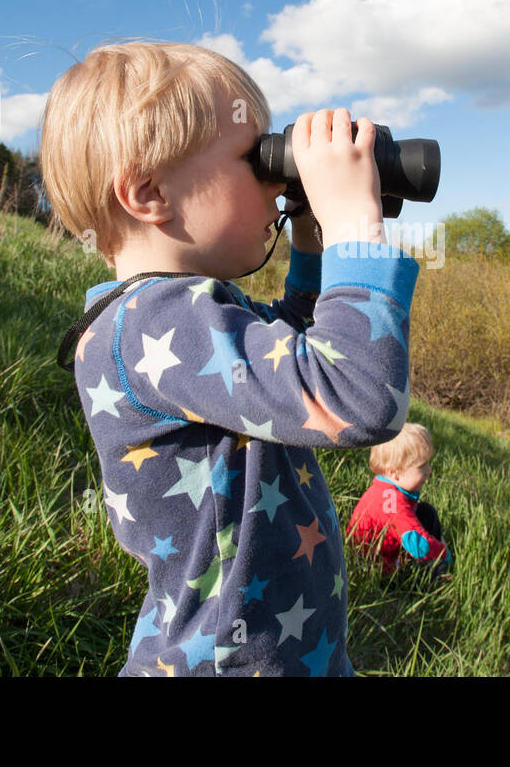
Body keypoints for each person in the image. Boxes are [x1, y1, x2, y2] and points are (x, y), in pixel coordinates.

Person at [41, 42, 418, 676]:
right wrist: (355, 223)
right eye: (257, 159)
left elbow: (297, 352)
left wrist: (310, 235)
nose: (277, 179)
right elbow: (354, 396)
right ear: (150, 191)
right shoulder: (157, 324)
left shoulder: (174, 318)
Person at [347, 422, 450, 575]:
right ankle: (438, 575)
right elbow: (418, 544)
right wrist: (444, 554)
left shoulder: (386, 489)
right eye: (422, 466)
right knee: (434, 563)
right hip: (378, 569)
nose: (429, 470)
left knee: (426, 511)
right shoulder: (391, 503)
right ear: (394, 472)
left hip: (390, 550)